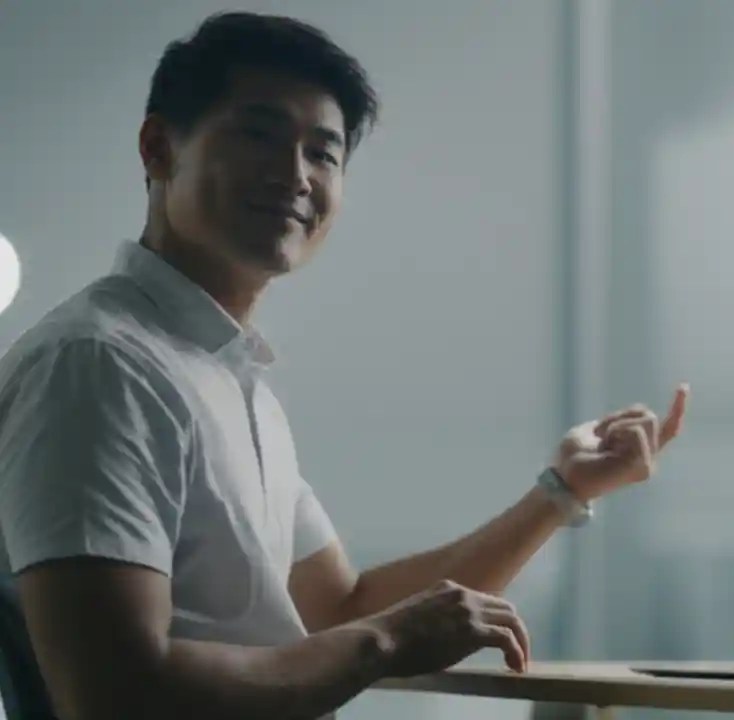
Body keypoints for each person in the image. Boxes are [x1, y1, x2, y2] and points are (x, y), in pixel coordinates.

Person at [0, 11, 689, 720]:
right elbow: (113, 692)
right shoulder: (98, 366)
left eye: (323, 152)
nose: (294, 174)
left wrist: (558, 493)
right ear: (158, 148)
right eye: (258, 132)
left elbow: (341, 610)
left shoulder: (226, 377)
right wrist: (384, 642)